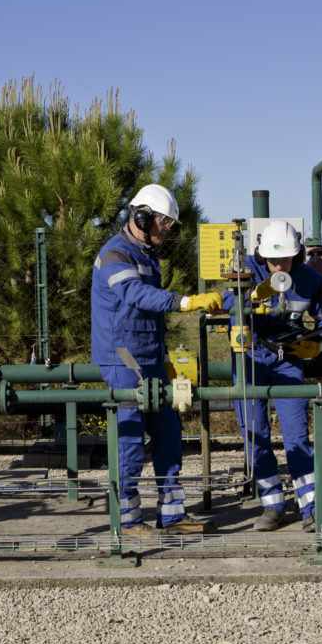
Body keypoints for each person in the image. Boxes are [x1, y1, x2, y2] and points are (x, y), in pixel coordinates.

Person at [91, 184, 223, 537]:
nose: (168, 229)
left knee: (168, 433)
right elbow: (135, 295)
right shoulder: (114, 254)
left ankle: (172, 514)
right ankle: (129, 520)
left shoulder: (146, 256)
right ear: (142, 216)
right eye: (164, 221)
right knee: (130, 441)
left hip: (150, 358)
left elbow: (151, 318)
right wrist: (186, 301)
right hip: (123, 359)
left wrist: (166, 360)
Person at [221, 220, 322, 532]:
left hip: (288, 359)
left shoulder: (309, 279)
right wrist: (250, 295)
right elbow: (226, 305)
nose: (279, 265)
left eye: (285, 259)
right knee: (255, 434)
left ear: (297, 255)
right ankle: (272, 504)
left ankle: (311, 508)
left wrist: (316, 345)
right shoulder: (245, 271)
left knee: (297, 435)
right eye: (273, 260)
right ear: (261, 256)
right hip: (249, 358)